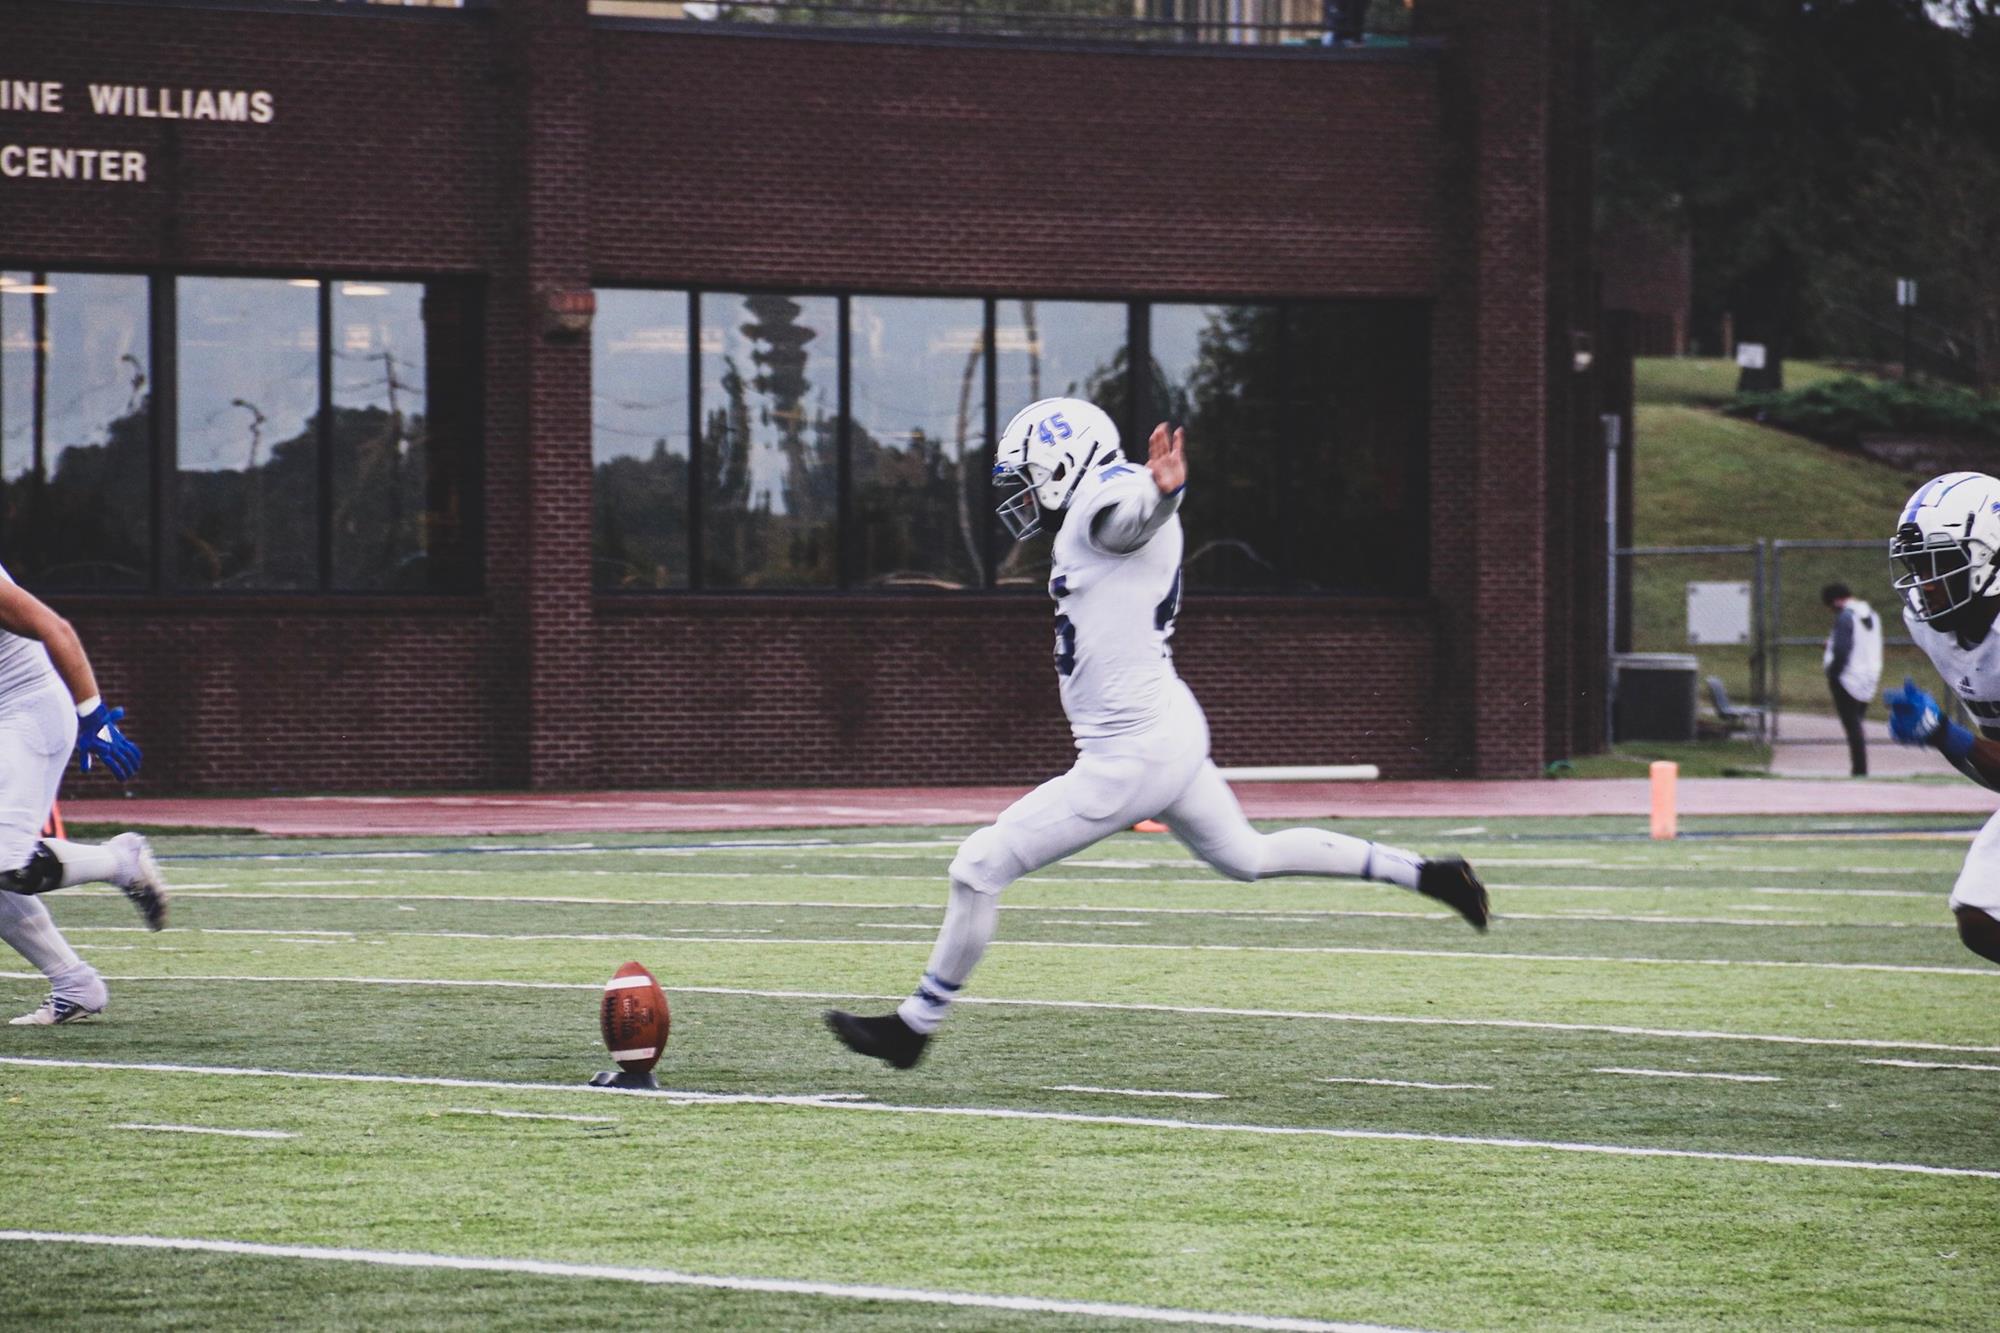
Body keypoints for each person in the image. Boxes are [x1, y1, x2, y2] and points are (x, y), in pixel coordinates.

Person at [826, 398, 1490, 1069]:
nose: (1022, 491)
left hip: (1130, 754)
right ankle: (1432, 875)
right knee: (1246, 857)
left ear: (1064, 461)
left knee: (977, 867)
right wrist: (1158, 496)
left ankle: (913, 1027)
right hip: (1167, 724)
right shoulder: (1104, 499)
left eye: (1027, 472)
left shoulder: (1106, 501)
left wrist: (1163, 494)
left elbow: (1129, 519)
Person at [0, 561, 168, 1024]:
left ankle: (120, 862)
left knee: (6, 864)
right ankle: (74, 982)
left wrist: (92, 716)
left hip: (27, 710)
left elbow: (55, 628)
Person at [1883, 471, 2000, 966]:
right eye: (1916, 566)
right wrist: (1945, 740)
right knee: (1980, 915)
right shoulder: (1932, 627)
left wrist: (1943, 734)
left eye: (1941, 566)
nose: (1924, 584)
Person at [1821, 582, 1883, 777]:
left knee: (1852, 726)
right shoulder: (1870, 615)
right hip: (1869, 675)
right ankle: (1859, 769)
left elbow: (1842, 649)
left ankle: (1859, 770)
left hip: (1847, 677)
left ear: (1835, 601)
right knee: (1857, 724)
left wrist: (1833, 671)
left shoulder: (1846, 616)